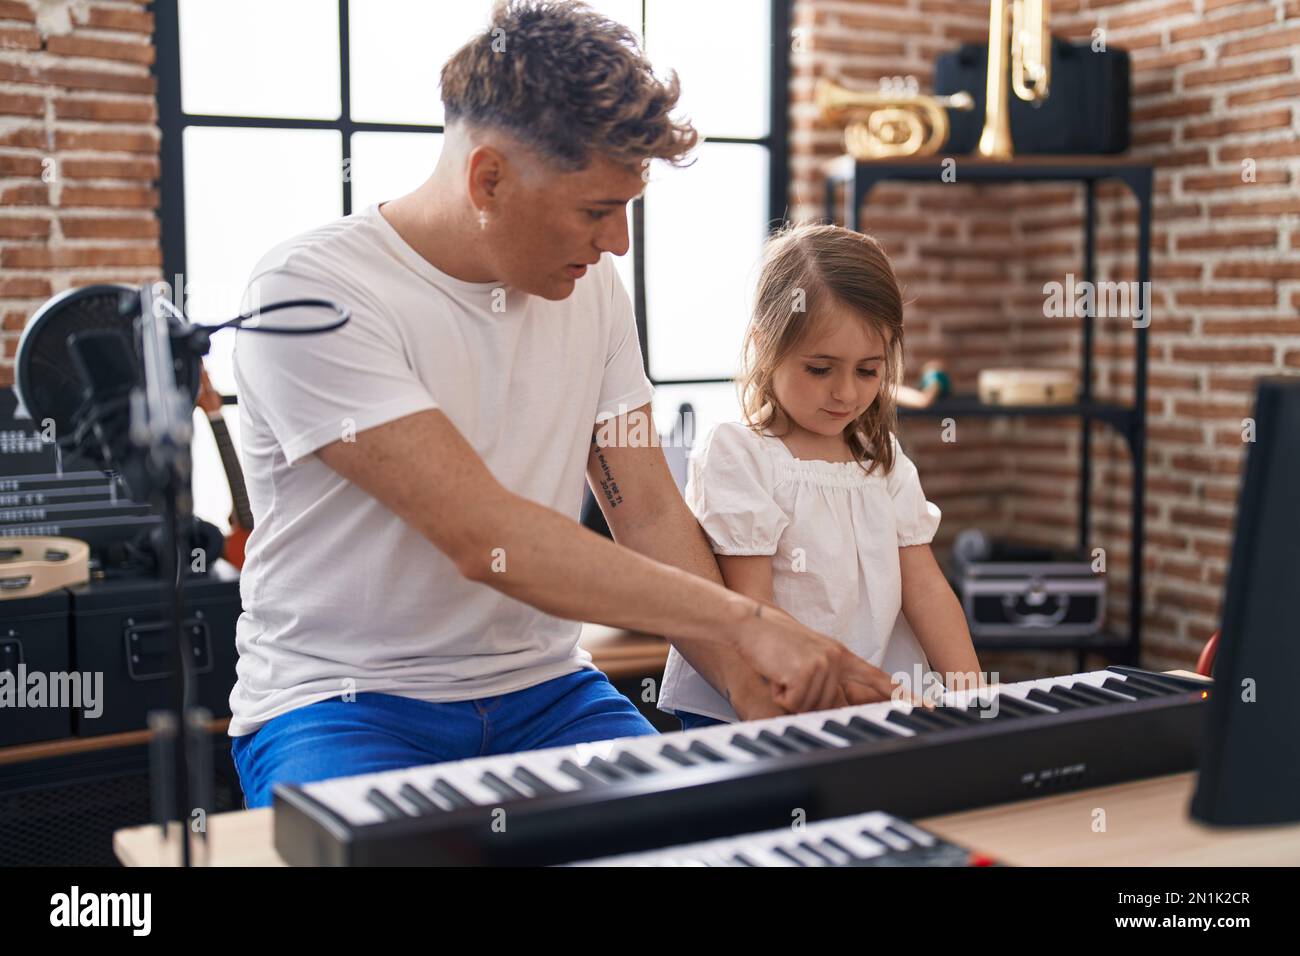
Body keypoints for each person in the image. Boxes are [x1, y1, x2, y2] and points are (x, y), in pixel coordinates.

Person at [226, 1, 899, 809]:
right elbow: (487, 537)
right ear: (489, 178)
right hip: (341, 705)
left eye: (625, 208)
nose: (617, 242)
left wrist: (747, 687)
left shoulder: (593, 293)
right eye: (595, 211)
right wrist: (745, 622)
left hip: (547, 697)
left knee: (714, 841)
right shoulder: (309, 294)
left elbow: (646, 509)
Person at [659, 223, 982, 730]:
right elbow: (754, 611)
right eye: (820, 369)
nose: (846, 394)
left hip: (872, 700)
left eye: (868, 370)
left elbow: (925, 588)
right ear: (767, 346)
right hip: (755, 707)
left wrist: (974, 698)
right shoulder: (741, 453)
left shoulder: (882, 457)